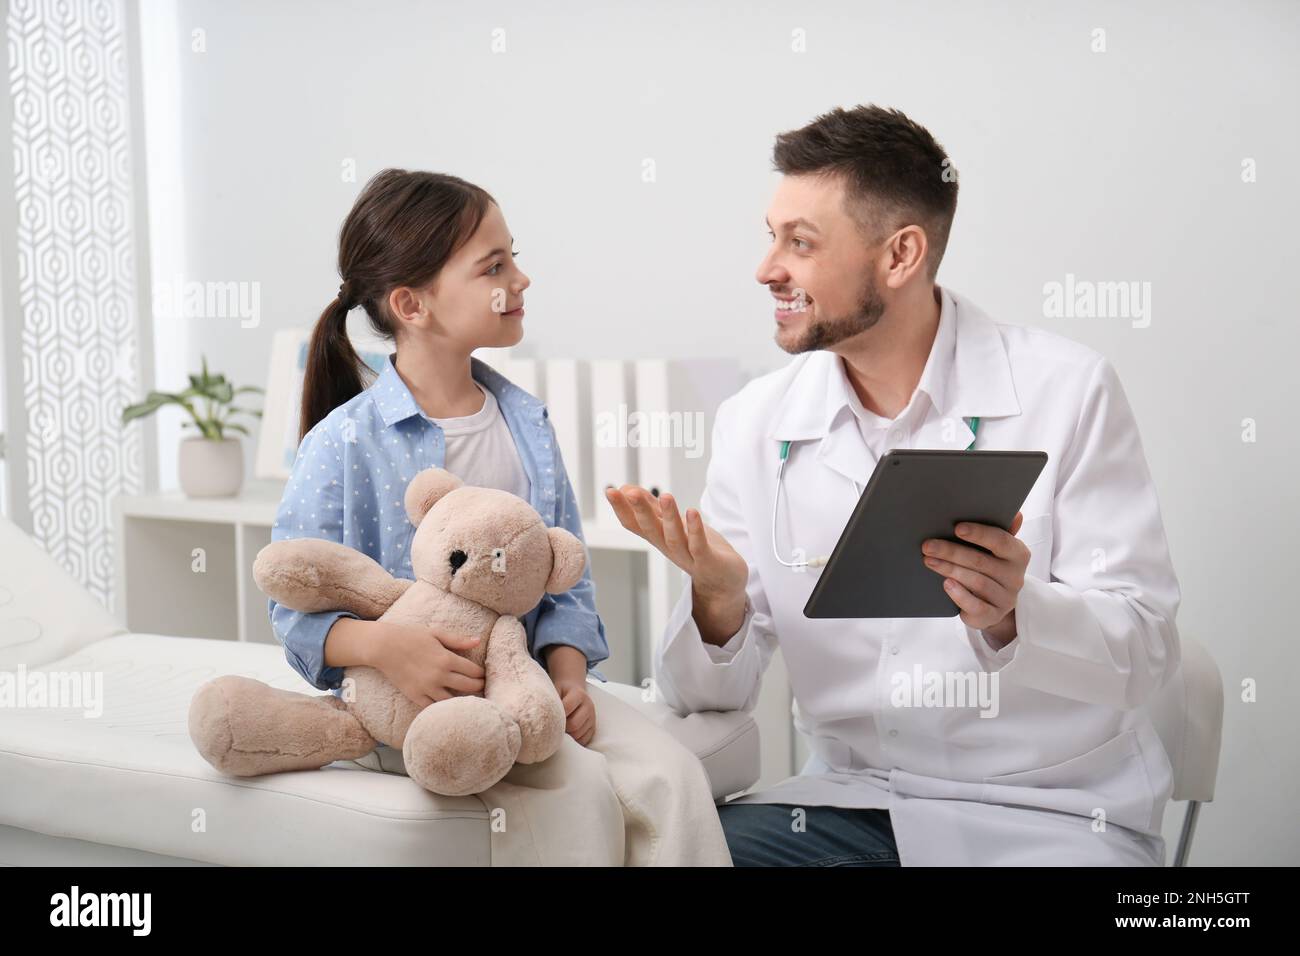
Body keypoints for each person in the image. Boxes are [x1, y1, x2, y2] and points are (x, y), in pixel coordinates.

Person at [607, 105, 1182, 866]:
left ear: (901, 254)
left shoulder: (1067, 391)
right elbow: (707, 700)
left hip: (1051, 819)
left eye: (800, 243)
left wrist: (1016, 614)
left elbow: (1144, 647)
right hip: (846, 807)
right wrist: (717, 603)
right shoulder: (757, 423)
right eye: (771, 236)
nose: (767, 268)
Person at [271, 168, 731, 865]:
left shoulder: (526, 421)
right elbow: (293, 609)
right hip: (422, 707)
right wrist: (384, 647)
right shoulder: (343, 442)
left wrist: (571, 674)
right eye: (494, 265)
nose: (521, 278)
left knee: (674, 776)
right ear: (413, 304)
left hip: (534, 684)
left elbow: (564, 575)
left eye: (513, 255)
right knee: (577, 795)